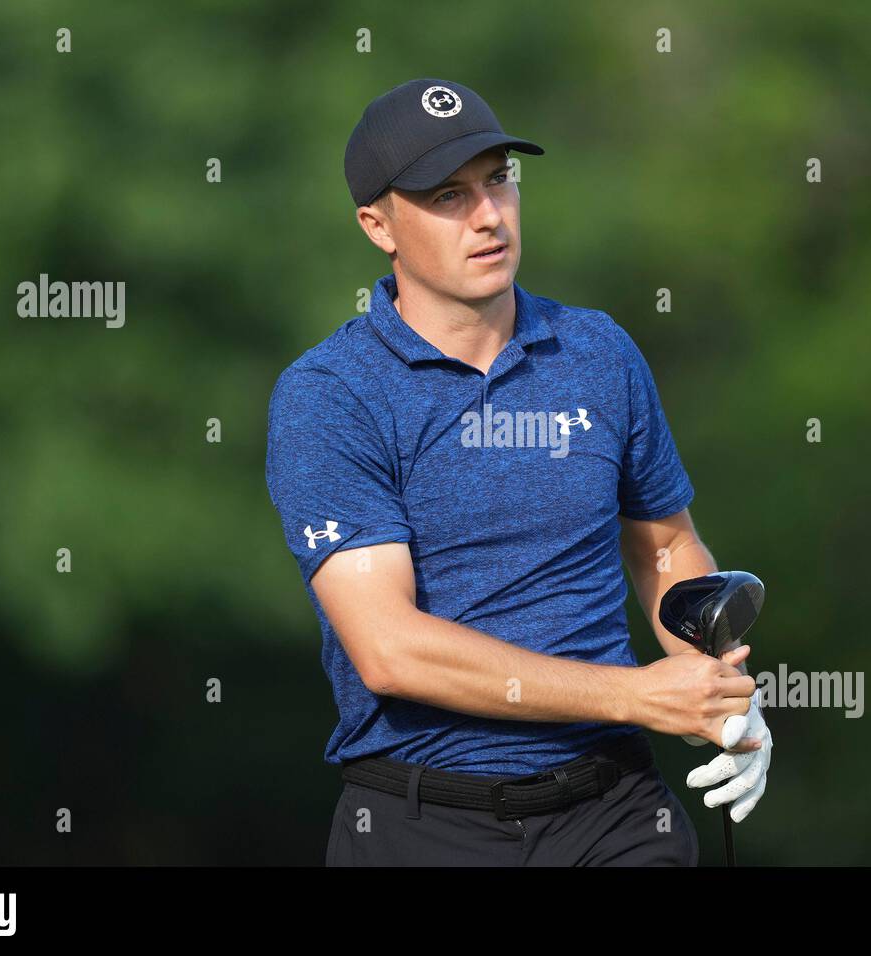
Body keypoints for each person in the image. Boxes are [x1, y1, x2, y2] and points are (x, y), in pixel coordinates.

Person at [266, 78, 771, 866]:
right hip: (422, 820)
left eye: (499, 179)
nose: (489, 215)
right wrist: (637, 695)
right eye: (447, 195)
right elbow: (390, 649)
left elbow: (664, 547)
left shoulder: (599, 351)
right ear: (378, 224)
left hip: (616, 813)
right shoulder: (330, 396)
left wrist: (710, 687)